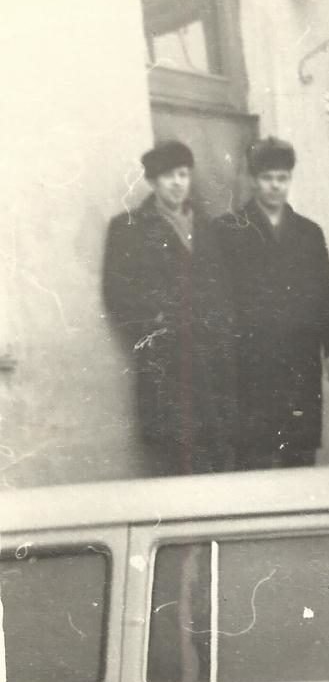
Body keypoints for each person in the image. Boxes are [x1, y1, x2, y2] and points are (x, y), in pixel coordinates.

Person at [213, 137, 329, 470]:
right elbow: (217, 297)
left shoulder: (309, 233)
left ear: (290, 180)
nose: (275, 186)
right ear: (253, 180)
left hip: (300, 360)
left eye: (282, 178)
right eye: (267, 178)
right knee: (254, 453)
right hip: (250, 360)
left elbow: (324, 294)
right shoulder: (227, 230)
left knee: (299, 451)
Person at [102, 140, 231, 475]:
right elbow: (116, 292)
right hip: (164, 360)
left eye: (183, 174)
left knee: (213, 452)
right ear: (152, 181)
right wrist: (154, 322)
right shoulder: (128, 228)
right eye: (168, 175)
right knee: (172, 454)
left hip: (210, 360)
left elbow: (224, 289)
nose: (177, 183)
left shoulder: (208, 228)